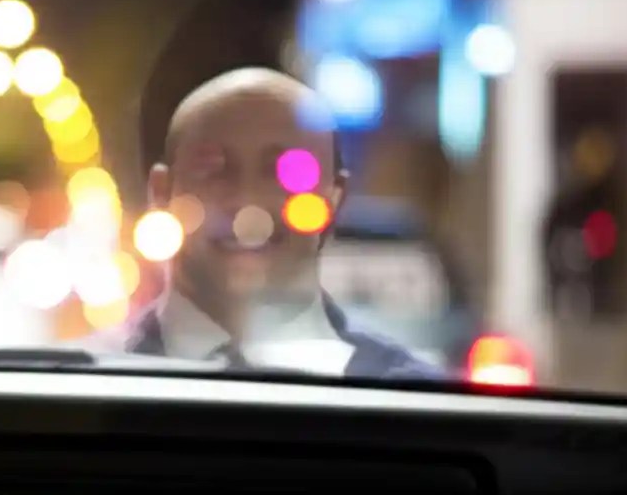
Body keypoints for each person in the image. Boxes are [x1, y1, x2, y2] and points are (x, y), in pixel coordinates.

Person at [87, 67, 443, 380]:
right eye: (213, 169)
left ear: (336, 199)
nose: (247, 203)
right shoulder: (82, 390)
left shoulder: (422, 410)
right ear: (162, 193)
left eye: (286, 173)